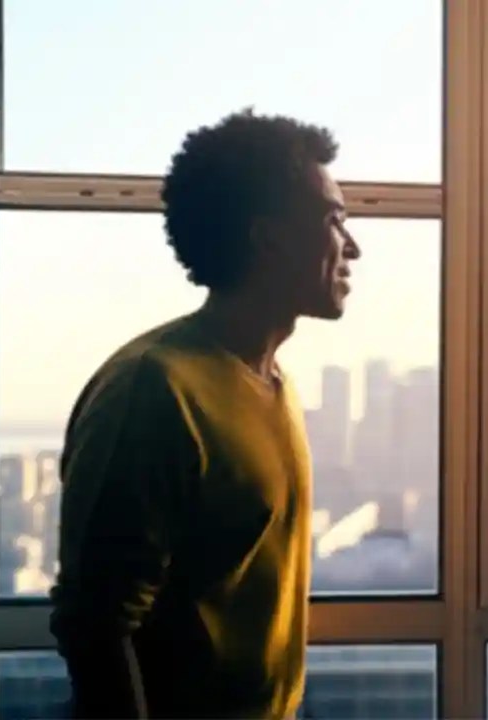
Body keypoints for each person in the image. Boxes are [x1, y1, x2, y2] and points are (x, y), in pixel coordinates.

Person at [49, 109, 360, 719]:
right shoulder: (154, 390)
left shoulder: (275, 385)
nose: (352, 246)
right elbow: (96, 627)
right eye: (334, 220)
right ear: (269, 238)